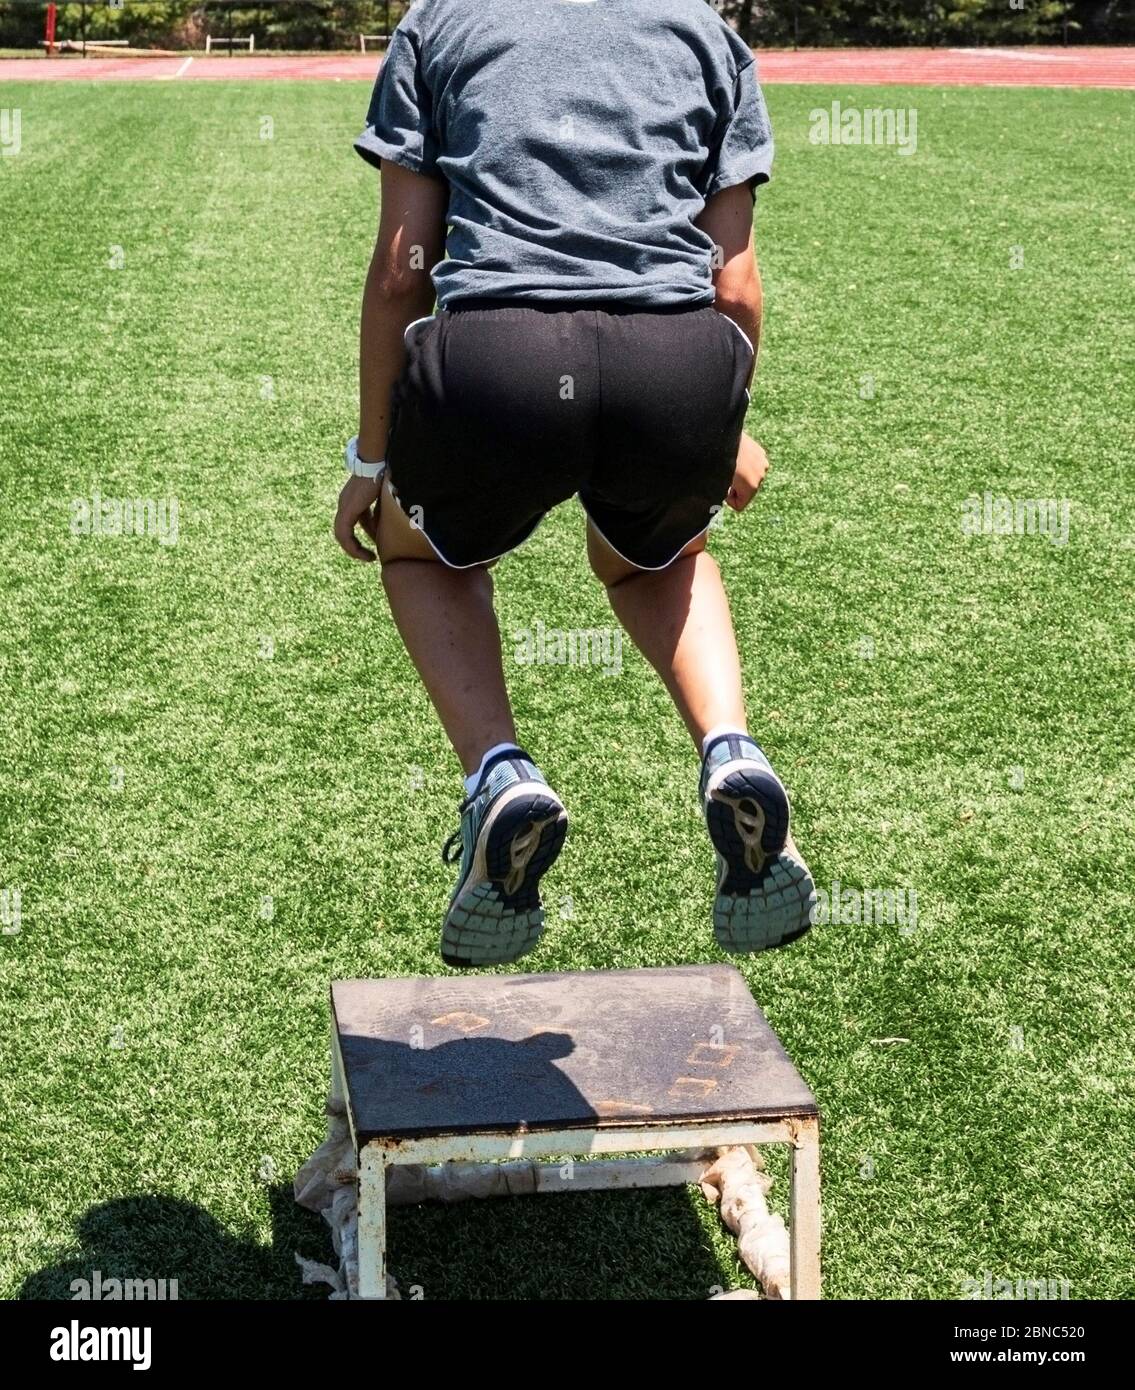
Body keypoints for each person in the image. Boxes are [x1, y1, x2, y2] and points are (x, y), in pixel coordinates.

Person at [334, 0, 817, 968]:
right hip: (671, 369)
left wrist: (370, 464)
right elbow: (735, 287)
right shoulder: (705, 34)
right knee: (657, 557)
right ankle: (730, 748)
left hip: (495, 363)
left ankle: (498, 773)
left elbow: (401, 275)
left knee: (414, 549)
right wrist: (718, 430)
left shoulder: (437, 24)